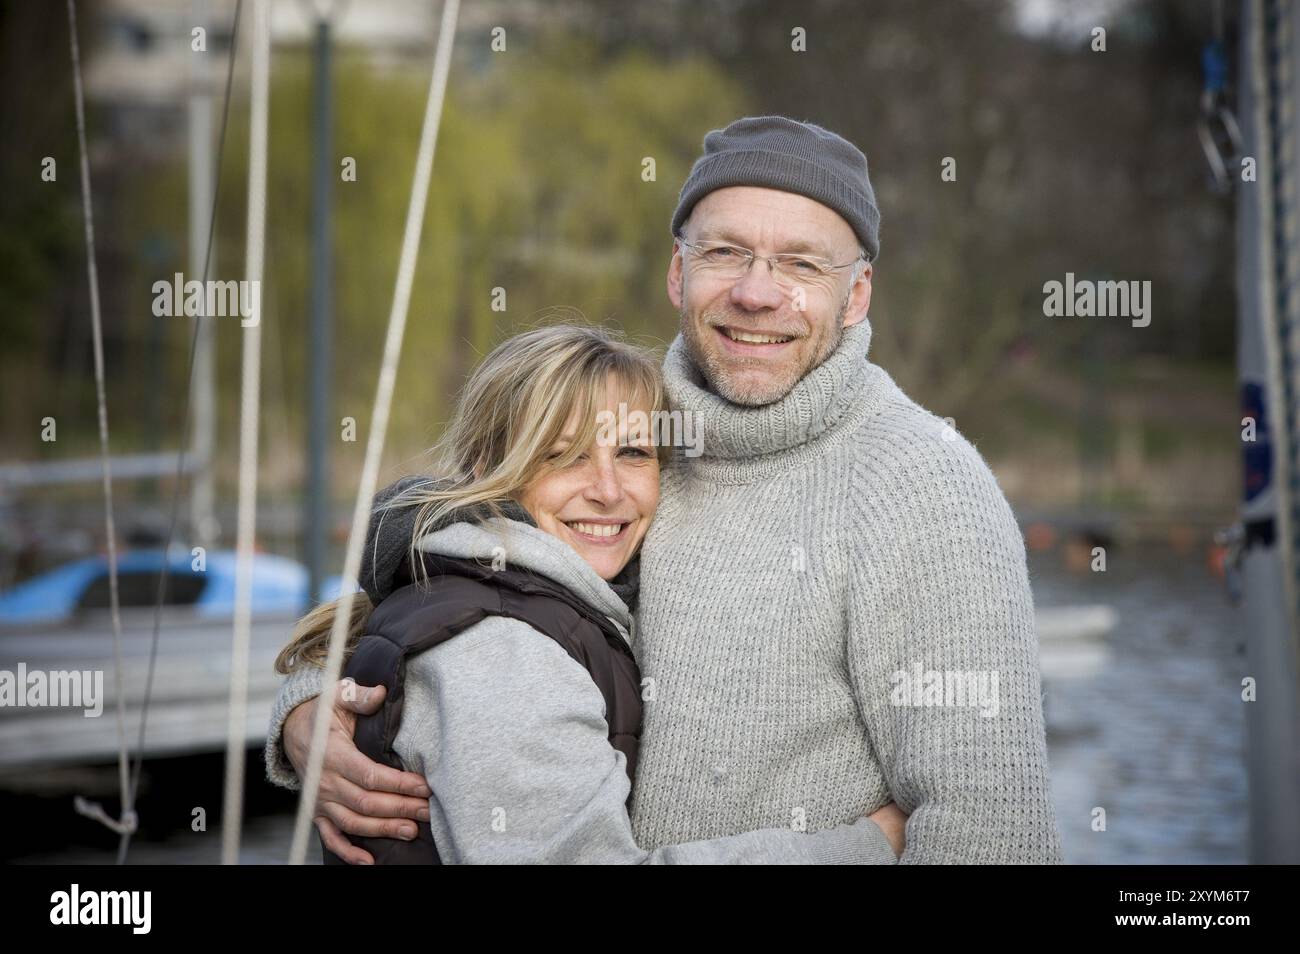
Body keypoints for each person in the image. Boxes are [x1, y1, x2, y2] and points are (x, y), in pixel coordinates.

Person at [270, 116, 1063, 864]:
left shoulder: (926, 484)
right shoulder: (633, 427)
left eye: (801, 264)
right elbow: (454, 557)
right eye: (726, 253)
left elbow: (990, 828)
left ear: (856, 296)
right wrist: (316, 712)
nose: (757, 293)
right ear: (678, 272)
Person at [273, 323, 898, 863]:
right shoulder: (508, 651)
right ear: (490, 468)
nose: (607, 489)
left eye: (632, 451)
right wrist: (868, 845)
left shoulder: (511, 584)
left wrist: (300, 708)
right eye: (565, 454)